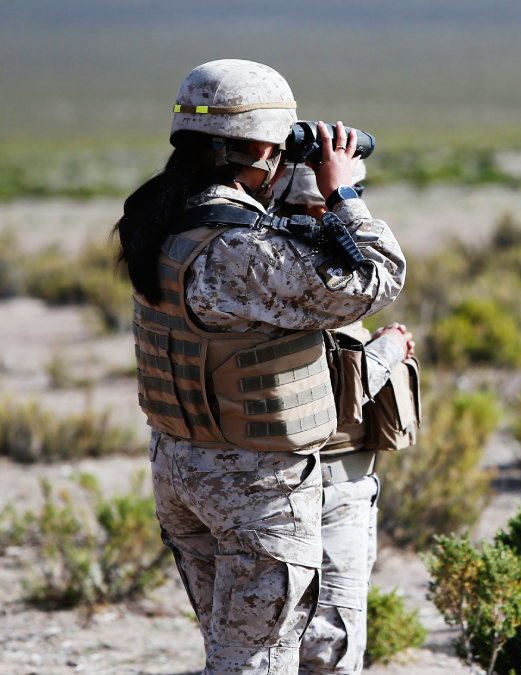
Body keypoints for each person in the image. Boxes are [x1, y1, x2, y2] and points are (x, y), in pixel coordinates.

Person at [113, 59, 406, 675]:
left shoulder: (162, 218)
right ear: (260, 147)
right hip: (255, 487)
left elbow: (269, 258)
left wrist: (295, 184)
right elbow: (375, 279)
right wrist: (344, 192)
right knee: (258, 659)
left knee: (231, 645)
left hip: (185, 468)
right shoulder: (241, 251)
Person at [272, 162, 415, 675]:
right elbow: (331, 400)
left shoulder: (258, 266)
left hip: (278, 483)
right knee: (328, 647)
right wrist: (389, 351)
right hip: (329, 483)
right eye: (321, 207)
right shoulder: (308, 281)